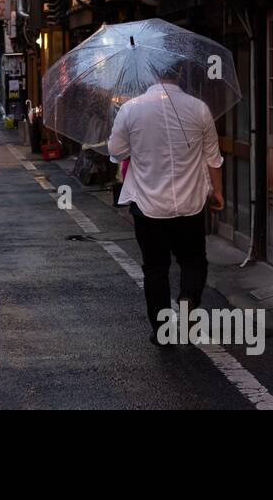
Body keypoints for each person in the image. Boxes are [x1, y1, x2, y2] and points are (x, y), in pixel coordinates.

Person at [107, 64, 224, 346]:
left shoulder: (131, 109)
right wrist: (217, 192)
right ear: (180, 74)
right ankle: (187, 298)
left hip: (148, 205)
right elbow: (213, 158)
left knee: (155, 268)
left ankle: (162, 330)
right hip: (191, 203)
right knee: (193, 258)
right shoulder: (199, 108)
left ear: (151, 75)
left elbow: (116, 151)